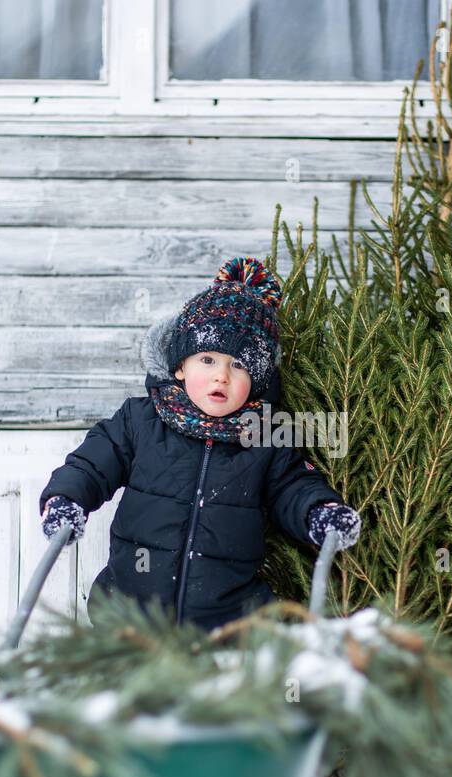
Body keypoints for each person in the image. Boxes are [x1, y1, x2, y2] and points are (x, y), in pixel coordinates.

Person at [39, 256, 361, 632]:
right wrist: (66, 499)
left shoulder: (266, 435)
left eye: (239, 366)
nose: (221, 377)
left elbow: (293, 484)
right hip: (129, 617)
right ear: (179, 367)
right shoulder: (140, 421)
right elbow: (92, 464)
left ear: (256, 382)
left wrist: (318, 511)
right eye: (207, 359)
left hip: (228, 626)